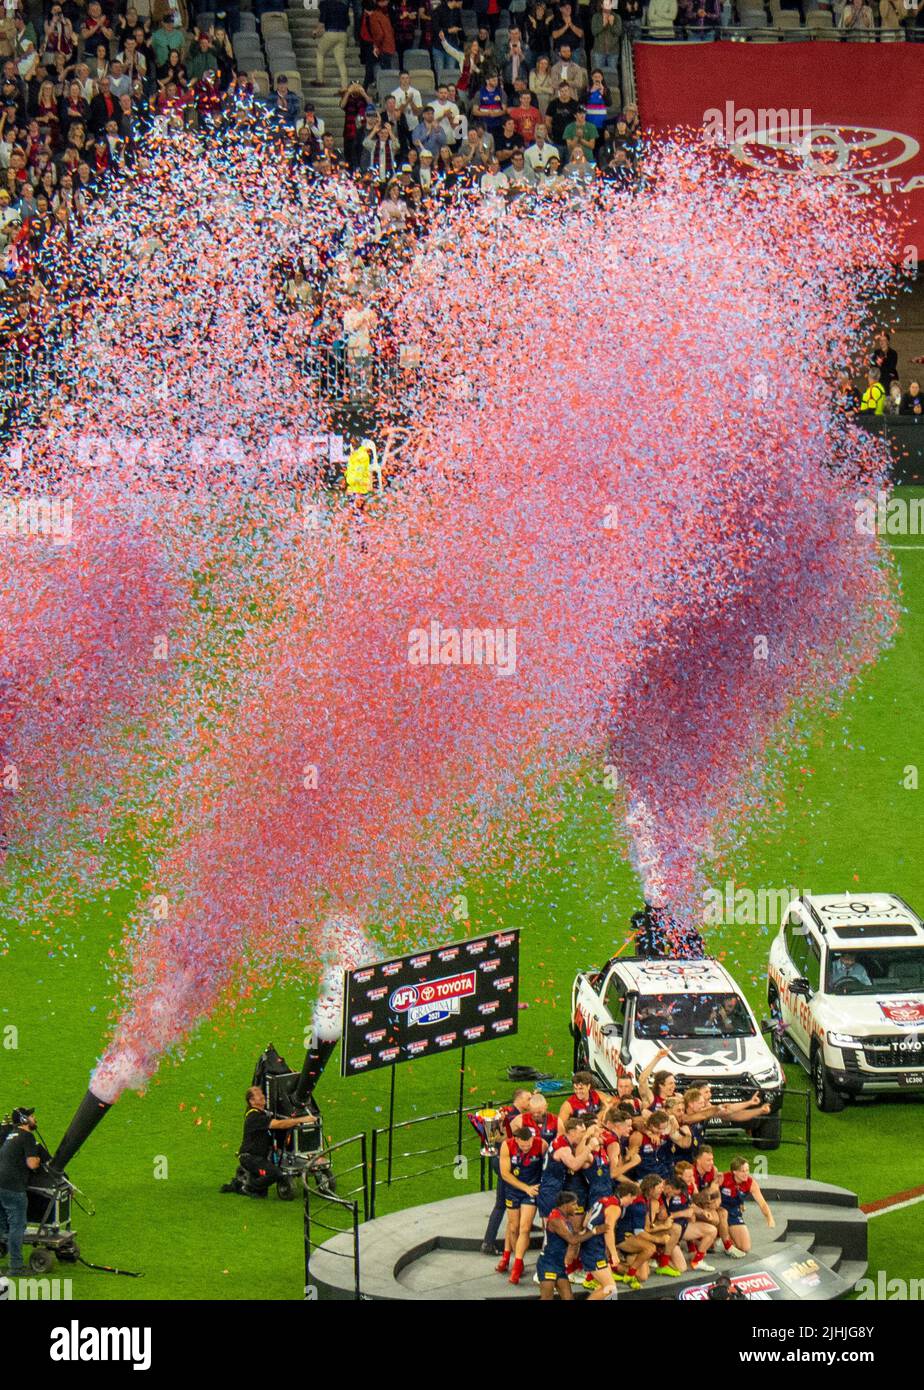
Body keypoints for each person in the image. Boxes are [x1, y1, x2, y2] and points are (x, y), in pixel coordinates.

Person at [221, 1086, 316, 1196]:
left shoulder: (260, 1113)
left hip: (259, 1157)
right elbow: (279, 1124)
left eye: (261, 1093)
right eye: (258, 1094)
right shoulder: (254, 1117)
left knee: (263, 1190)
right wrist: (303, 1119)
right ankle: (247, 1187)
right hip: (251, 1158)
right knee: (275, 1173)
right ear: (251, 1101)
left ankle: (251, 1183)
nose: (262, 1096)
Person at [496, 1124, 546, 1283]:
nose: (526, 1148)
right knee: (513, 1227)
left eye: (529, 1144)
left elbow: (547, 1166)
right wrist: (525, 1188)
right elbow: (505, 1173)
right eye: (523, 1145)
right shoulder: (507, 1145)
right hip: (514, 1189)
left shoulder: (541, 1144)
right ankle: (509, 1256)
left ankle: (517, 1265)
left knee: (525, 1228)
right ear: (517, 1140)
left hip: (531, 1191)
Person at [0, 1107, 42, 1275]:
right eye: (32, 1116)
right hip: (13, 1187)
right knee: (17, 1226)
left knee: (2, 1224)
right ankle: (16, 1267)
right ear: (25, 1120)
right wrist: (38, 1159)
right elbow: (32, 1164)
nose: (35, 1119)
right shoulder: (27, 1137)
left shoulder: (9, 1135)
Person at [719, 1156, 775, 1254]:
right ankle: (724, 1241)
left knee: (745, 1247)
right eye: (742, 1171)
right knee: (722, 1214)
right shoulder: (723, 1178)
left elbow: (762, 1203)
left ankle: (728, 1235)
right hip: (719, 1210)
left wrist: (769, 1218)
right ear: (734, 1172)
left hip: (734, 1212)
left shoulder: (751, 1183)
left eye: (747, 1170)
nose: (746, 1173)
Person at [536, 1190, 586, 1300]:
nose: (577, 1207)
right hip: (548, 1263)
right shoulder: (556, 1219)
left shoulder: (564, 1218)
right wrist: (593, 1232)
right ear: (564, 1205)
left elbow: (573, 1238)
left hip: (558, 1264)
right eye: (573, 1204)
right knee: (547, 1298)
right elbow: (572, 1240)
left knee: (568, 1298)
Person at [315, 0, 350, 89]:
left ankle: (320, 79)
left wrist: (315, 32)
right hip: (343, 34)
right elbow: (348, 22)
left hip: (331, 33)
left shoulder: (325, 4)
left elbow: (321, 22)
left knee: (320, 53)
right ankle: (344, 86)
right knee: (341, 61)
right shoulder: (344, 5)